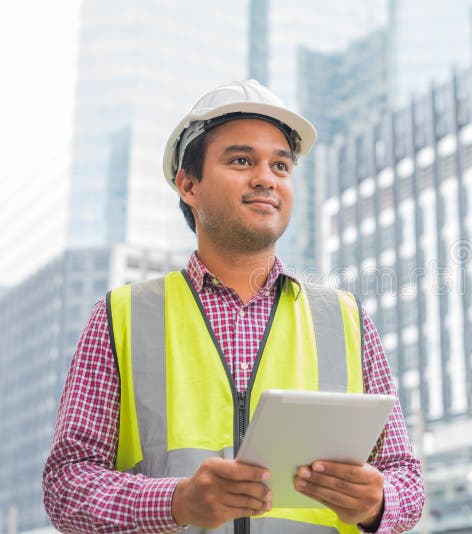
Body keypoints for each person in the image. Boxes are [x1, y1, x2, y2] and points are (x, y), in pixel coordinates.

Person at [42, 79, 424, 533]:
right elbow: (66, 486)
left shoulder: (346, 320)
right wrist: (177, 501)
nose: (266, 177)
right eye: (241, 160)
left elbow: (407, 480)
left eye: (280, 166)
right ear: (189, 185)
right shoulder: (122, 316)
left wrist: (377, 503)